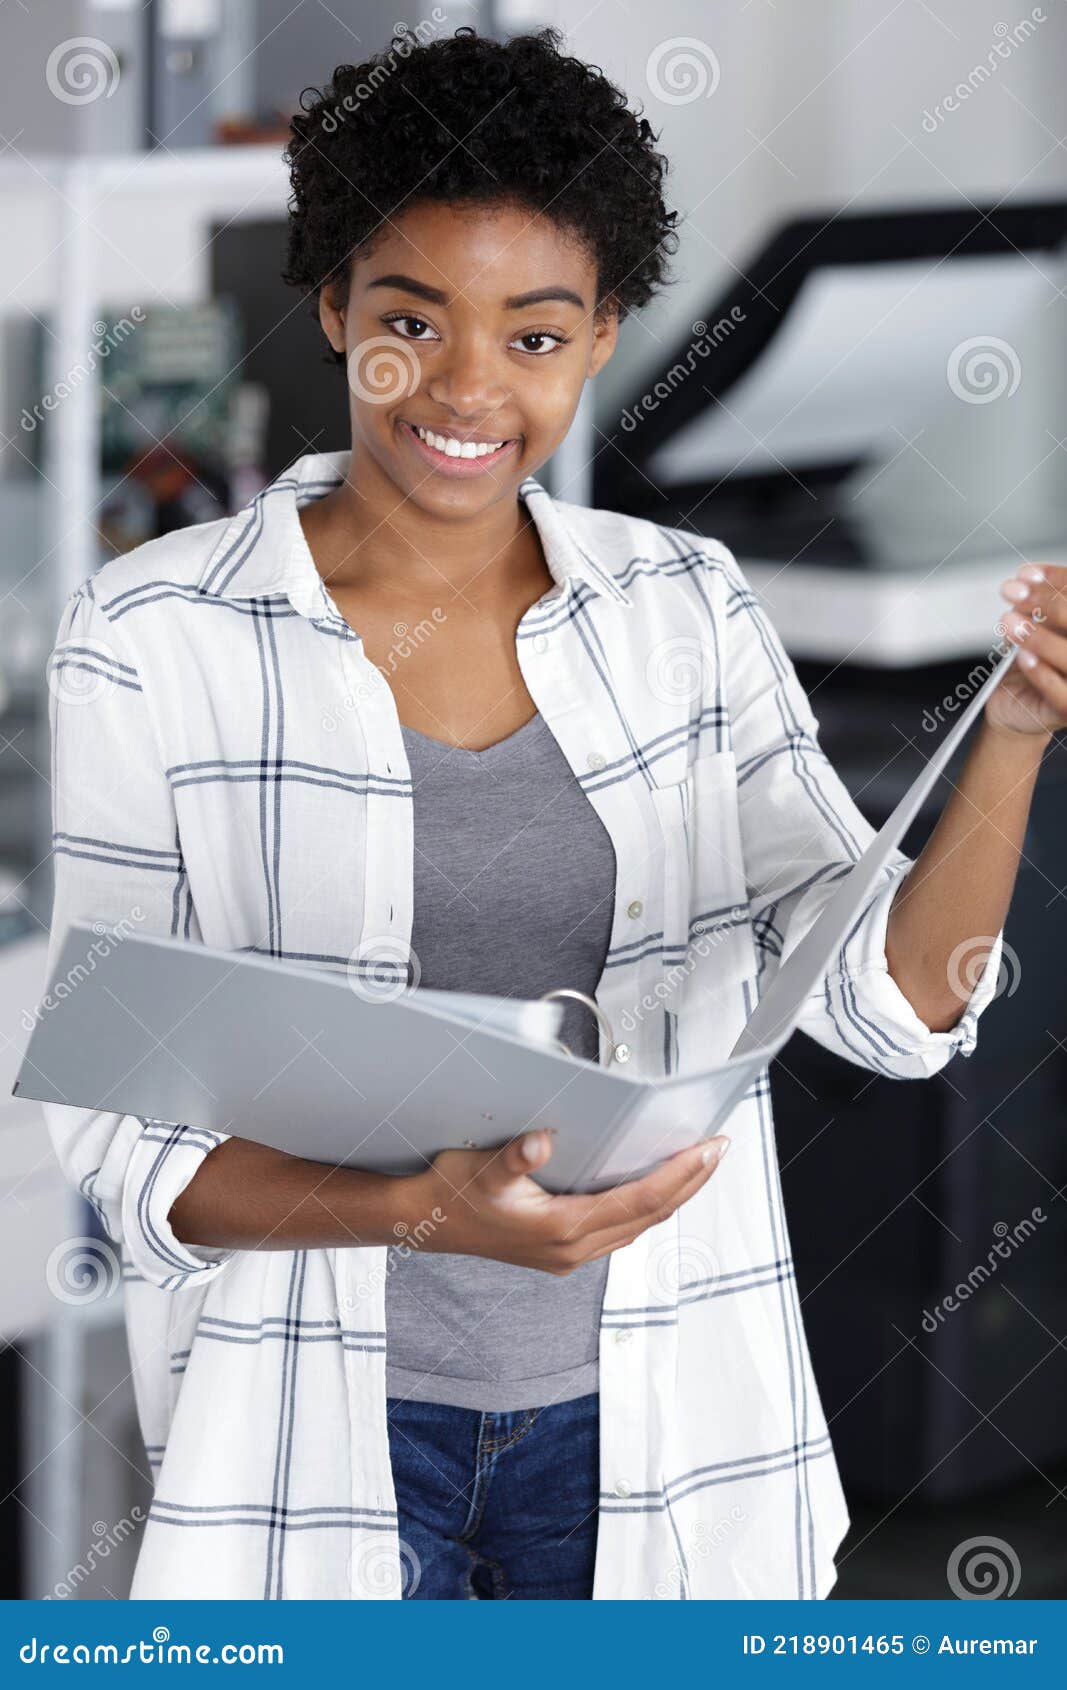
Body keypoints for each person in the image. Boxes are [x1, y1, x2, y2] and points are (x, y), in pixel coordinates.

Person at [42, 27, 1059, 1601]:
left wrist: (1015, 736)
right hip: (323, 1452)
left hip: (666, 1438)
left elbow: (891, 1005)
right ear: (332, 309)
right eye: (409, 322)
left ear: (599, 340)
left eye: (532, 335)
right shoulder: (150, 632)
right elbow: (119, 1132)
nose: (464, 388)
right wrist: (415, 1213)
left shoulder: (686, 605)